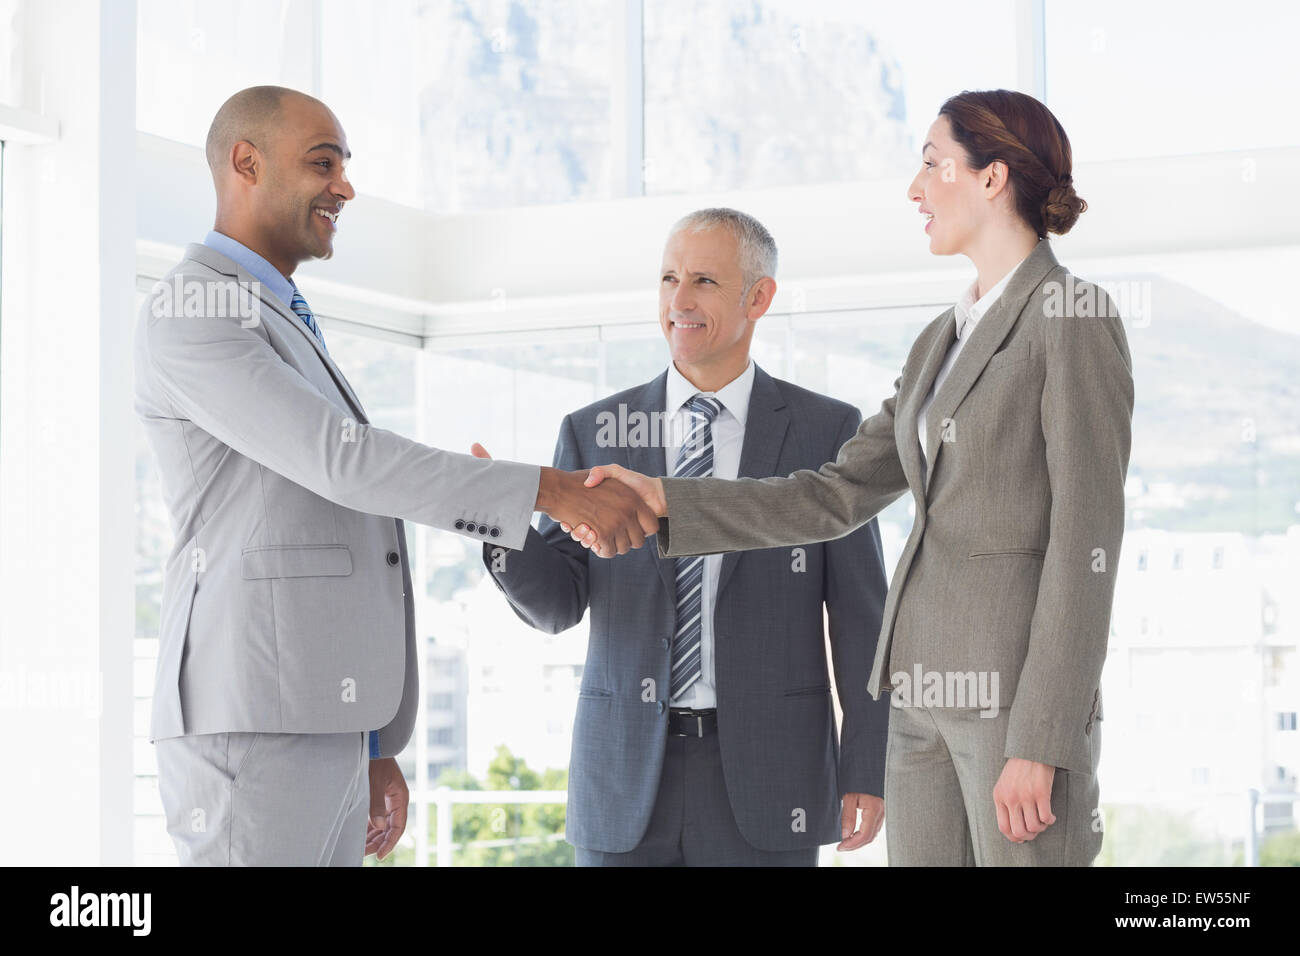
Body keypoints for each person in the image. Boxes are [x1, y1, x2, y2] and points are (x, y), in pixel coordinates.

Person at [571, 89, 1134, 866]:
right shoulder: (941, 338)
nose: (915, 188)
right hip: (918, 703)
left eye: (934, 164)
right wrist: (671, 497)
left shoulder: (1069, 314)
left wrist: (1045, 736)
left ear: (993, 178)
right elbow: (831, 494)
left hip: (1012, 707)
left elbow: (1087, 542)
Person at [134, 85, 657, 866]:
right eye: (324, 162)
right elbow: (343, 462)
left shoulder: (272, 310)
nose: (345, 186)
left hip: (316, 720)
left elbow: (323, 516)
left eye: (345, 165)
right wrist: (550, 490)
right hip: (252, 716)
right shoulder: (195, 307)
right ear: (246, 162)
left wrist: (374, 740)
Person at [473, 209, 891, 865]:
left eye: (703, 281)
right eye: (668, 279)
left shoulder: (825, 431)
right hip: (623, 779)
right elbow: (558, 603)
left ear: (760, 297)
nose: (679, 301)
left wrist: (867, 765)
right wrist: (497, 517)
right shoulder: (596, 431)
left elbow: (864, 618)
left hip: (772, 780)